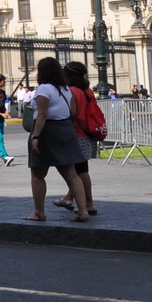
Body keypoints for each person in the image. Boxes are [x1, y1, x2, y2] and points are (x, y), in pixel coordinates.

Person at [24, 58, 90, 223]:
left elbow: (42, 114)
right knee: (71, 174)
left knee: (38, 173)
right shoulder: (66, 90)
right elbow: (73, 112)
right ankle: (83, 210)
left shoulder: (44, 89)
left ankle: (39, 212)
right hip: (66, 129)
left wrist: (36, 136)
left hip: (47, 131)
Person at [55, 62, 98, 217]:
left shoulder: (72, 91)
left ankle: (89, 203)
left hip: (77, 134)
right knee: (77, 170)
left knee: (80, 171)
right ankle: (69, 198)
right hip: (87, 133)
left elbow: (73, 113)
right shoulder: (87, 91)